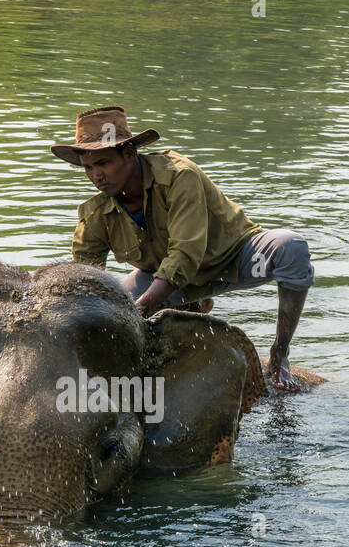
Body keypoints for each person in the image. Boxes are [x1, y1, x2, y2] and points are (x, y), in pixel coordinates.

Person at [51, 105, 313, 391]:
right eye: (88, 167)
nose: (96, 175)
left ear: (128, 154)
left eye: (103, 163)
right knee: (110, 314)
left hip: (233, 259)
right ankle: (191, 308)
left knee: (291, 248)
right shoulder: (96, 214)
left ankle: (280, 354)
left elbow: (184, 256)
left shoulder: (178, 176)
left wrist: (138, 310)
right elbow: (86, 280)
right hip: (168, 282)